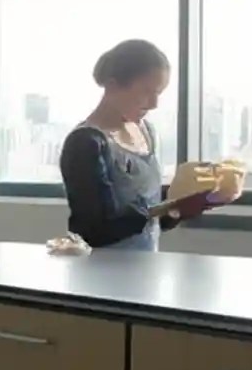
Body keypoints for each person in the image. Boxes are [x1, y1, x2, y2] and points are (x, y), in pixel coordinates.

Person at [58, 39, 210, 251]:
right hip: (101, 275)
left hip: (145, 270)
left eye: (159, 93)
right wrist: (168, 205)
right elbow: (95, 229)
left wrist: (193, 201)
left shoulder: (147, 133)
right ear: (112, 86)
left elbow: (153, 221)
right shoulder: (85, 143)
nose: (154, 104)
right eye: (147, 91)